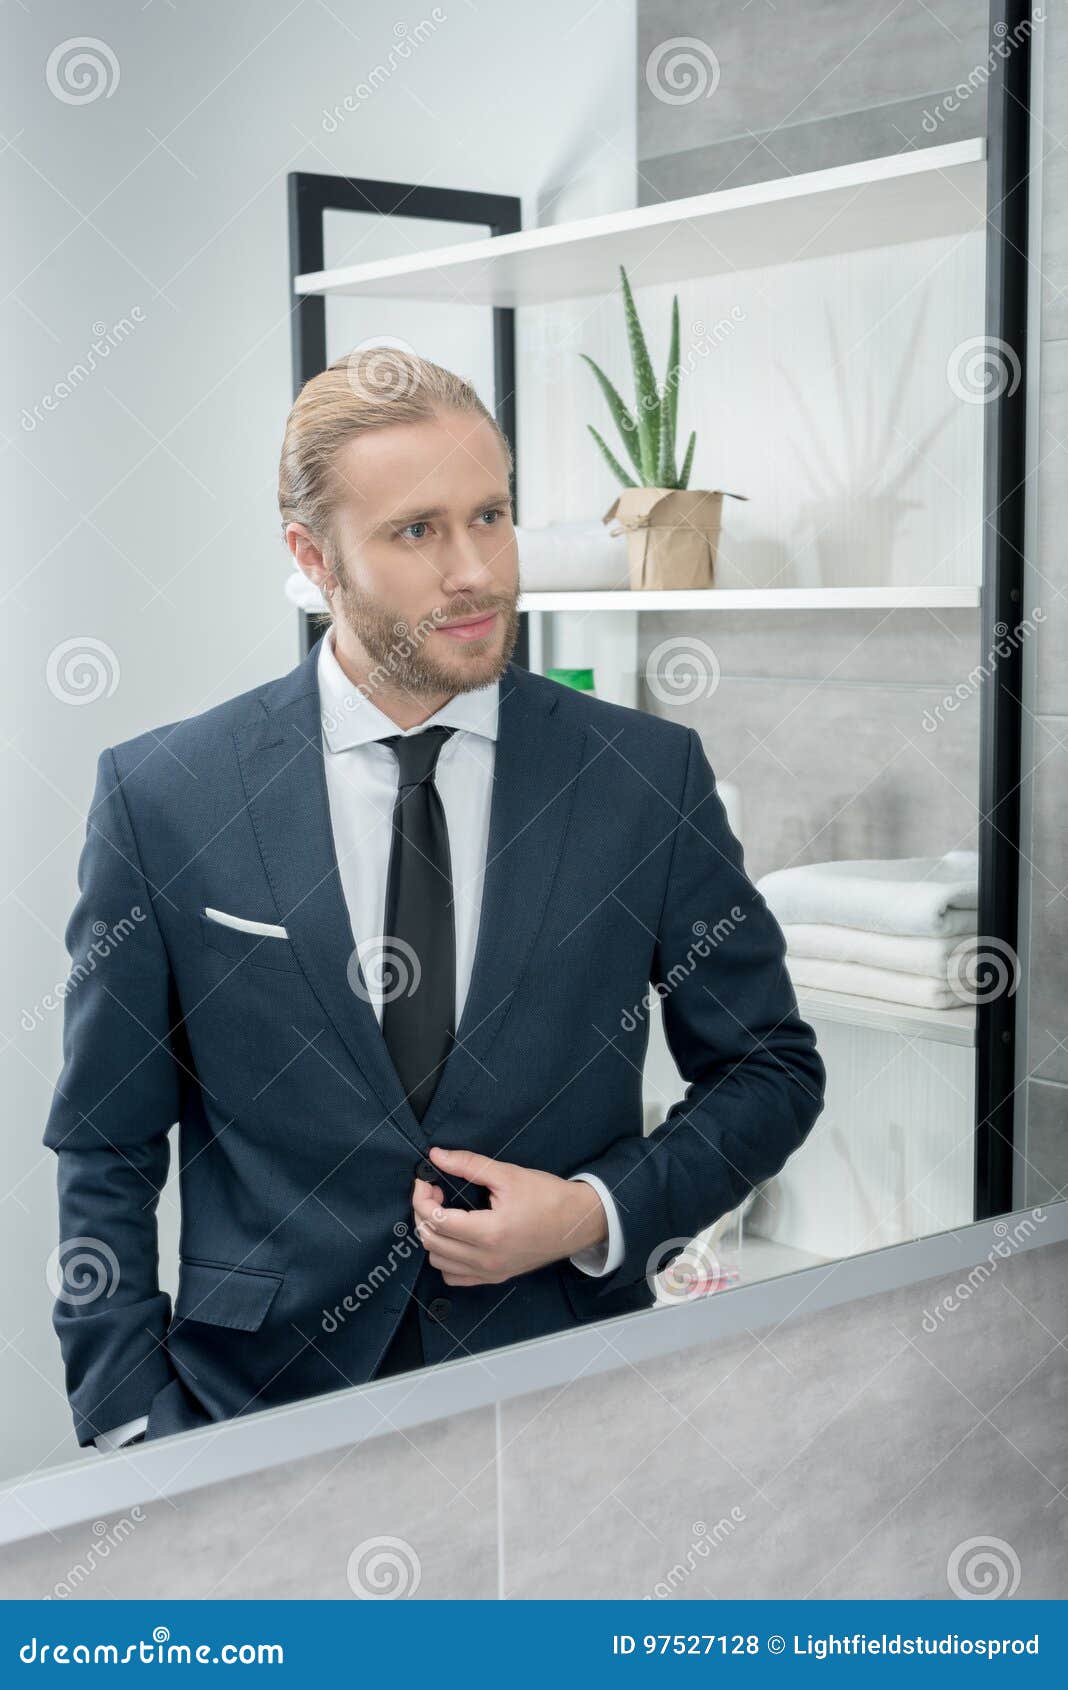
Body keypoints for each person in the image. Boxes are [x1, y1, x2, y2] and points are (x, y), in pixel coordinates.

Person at [45, 349, 826, 1449]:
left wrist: (590, 1214)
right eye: (417, 531)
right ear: (314, 558)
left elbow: (769, 1070)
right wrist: (131, 1423)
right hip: (254, 1415)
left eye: (492, 516)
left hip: (568, 1396)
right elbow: (105, 1143)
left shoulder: (646, 778)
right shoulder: (165, 795)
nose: (475, 571)